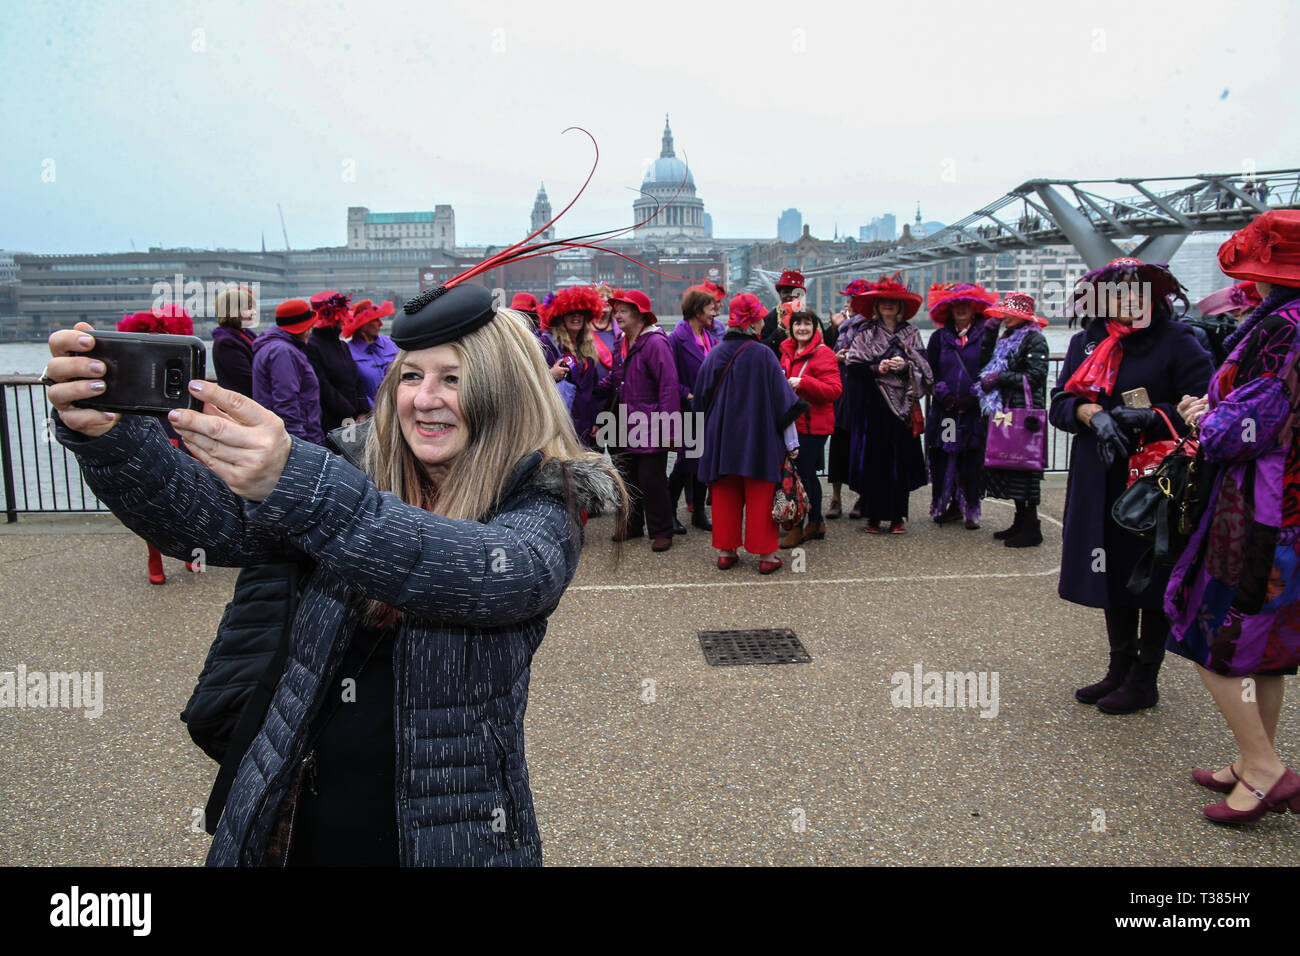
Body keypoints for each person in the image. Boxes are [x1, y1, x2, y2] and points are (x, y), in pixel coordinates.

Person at [45, 280, 627, 866]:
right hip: (295, 805)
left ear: (505, 392)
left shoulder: (545, 500)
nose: (425, 399)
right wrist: (114, 440)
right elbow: (215, 526)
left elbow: (493, 574)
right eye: (411, 376)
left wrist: (296, 481)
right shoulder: (359, 471)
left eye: (453, 378)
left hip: (446, 827)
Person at [1164, 210, 1300, 822]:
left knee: (1209, 632)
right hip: (1290, 509)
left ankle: (1267, 770)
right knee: (1265, 645)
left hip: (1256, 512)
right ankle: (1251, 759)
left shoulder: (1282, 330)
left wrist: (1202, 416)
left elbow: (1248, 425)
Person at [1051, 257, 1213, 714]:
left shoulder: (1179, 341)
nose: (1124, 300)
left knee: (1150, 569)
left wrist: (1151, 416)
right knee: (1109, 568)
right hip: (1098, 470)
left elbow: (1203, 404)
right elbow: (1061, 402)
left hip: (1155, 477)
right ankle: (1118, 668)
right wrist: (1092, 415)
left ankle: (1146, 678)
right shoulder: (1086, 341)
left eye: (1135, 292)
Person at [694, 293, 807, 574]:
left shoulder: (715, 352)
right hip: (759, 437)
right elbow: (784, 402)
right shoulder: (764, 354)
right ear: (754, 322)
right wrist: (791, 442)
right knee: (761, 493)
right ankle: (766, 556)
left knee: (724, 492)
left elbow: (699, 401)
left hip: (720, 438)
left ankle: (725, 551)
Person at [116, 304, 202, 585]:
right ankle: (159, 555)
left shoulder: (178, 365)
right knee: (154, 496)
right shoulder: (144, 370)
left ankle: (186, 550)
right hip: (154, 428)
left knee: (186, 492)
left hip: (176, 425)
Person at [844, 276, 932, 534]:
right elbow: (852, 367)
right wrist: (876, 367)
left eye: (894, 302)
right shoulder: (866, 333)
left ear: (900, 306)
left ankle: (897, 517)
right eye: (884, 302)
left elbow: (925, 369)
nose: (888, 306)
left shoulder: (911, 333)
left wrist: (906, 366)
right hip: (873, 406)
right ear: (876, 305)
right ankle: (872, 516)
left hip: (902, 409)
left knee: (898, 461)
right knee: (874, 461)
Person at [975, 291, 1051, 547]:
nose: (1006, 317)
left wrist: (1000, 378)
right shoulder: (1006, 337)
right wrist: (988, 335)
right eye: (1005, 313)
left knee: (1025, 470)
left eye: (1011, 314)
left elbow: (1036, 377)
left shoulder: (1035, 340)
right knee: (1013, 468)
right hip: (1007, 411)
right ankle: (1021, 522)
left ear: (1024, 317)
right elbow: (985, 364)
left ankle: (1031, 528)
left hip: (1023, 414)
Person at [607, 288, 679, 552]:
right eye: (616, 311)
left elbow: (668, 386)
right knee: (628, 478)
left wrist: (670, 428)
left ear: (640, 315)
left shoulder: (655, 343)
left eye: (623, 311)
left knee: (652, 479)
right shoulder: (621, 342)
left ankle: (662, 530)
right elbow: (616, 380)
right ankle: (633, 525)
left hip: (651, 425)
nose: (617, 315)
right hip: (626, 421)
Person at [925, 282, 1000, 529]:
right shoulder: (938, 338)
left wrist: (973, 397)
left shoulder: (988, 337)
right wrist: (944, 396)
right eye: (955, 305)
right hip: (946, 411)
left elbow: (992, 370)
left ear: (975, 308)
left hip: (973, 411)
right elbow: (931, 372)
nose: (961, 309)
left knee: (971, 459)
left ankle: (970, 509)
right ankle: (947, 505)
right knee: (945, 456)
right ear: (947, 309)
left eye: (966, 304)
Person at [778, 307, 842, 548]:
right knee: (801, 474)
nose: (802, 328)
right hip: (793, 424)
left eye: (807, 323)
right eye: (797, 324)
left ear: (815, 327)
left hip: (814, 425)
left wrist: (803, 383)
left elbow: (834, 391)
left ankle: (801, 525)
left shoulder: (824, 354)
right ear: (791, 328)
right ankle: (815, 522)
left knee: (802, 475)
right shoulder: (787, 351)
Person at [667, 287, 722, 533]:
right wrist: (686, 393)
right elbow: (670, 375)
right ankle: (668, 514)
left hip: (709, 408)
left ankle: (699, 513)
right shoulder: (676, 338)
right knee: (685, 463)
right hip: (689, 408)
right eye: (711, 307)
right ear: (698, 309)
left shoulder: (709, 335)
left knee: (702, 461)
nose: (715, 312)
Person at [537, 285, 616, 449]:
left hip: (584, 428)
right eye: (571, 313)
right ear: (561, 317)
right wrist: (550, 375)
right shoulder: (547, 345)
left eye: (581, 314)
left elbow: (593, 390)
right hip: (558, 428)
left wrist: (596, 420)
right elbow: (531, 382)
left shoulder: (587, 349)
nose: (576, 317)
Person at [824, 278, 875, 520]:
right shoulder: (842, 326)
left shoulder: (873, 327)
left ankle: (863, 495)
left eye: (854, 300)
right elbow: (826, 354)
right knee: (839, 444)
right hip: (841, 391)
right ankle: (835, 497)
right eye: (848, 299)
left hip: (864, 392)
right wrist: (834, 329)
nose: (850, 303)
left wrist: (849, 357)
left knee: (862, 446)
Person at [252, 299, 325, 445]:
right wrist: (300, 442)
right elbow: (286, 400)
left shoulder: (277, 347)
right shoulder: (283, 352)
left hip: (289, 435)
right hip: (298, 438)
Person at [306, 291, 372, 433]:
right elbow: (323, 387)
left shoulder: (343, 345)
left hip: (356, 418)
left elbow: (356, 379)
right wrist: (349, 413)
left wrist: (363, 410)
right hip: (332, 420)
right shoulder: (312, 346)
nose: (343, 322)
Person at [343, 299, 399, 403]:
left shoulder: (392, 344)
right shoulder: (348, 352)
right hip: (370, 414)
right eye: (376, 319)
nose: (381, 324)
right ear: (362, 324)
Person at [211, 285, 259, 397]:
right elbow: (246, 380)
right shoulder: (226, 343)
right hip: (239, 405)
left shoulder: (244, 334)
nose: (254, 312)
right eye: (249, 308)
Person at [759, 269, 804, 355]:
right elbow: (762, 348)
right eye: (786, 292)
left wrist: (833, 328)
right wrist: (780, 329)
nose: (790, 295)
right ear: (780, 294)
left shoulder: (810, 317)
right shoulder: (770, 319)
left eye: (795, 292)